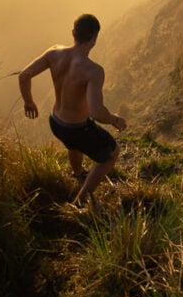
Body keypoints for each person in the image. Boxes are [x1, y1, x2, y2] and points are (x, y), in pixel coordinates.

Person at [18, 13, 126, 207]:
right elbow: (96, 112)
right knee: (111, 153)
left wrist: (29, 102)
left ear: (73, 33)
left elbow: (24, 75)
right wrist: (114, 119)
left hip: (56, 122)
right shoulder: (93, 71)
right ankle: (80, 200)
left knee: (74, 143)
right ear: (94, 38)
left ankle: (77, 173)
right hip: (77, 128)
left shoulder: (54, 53)